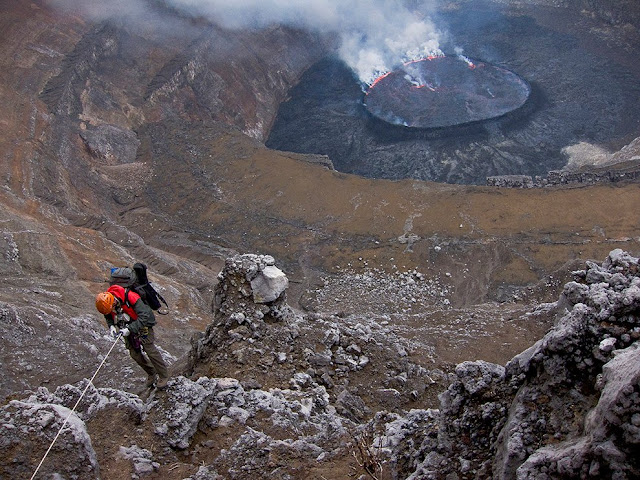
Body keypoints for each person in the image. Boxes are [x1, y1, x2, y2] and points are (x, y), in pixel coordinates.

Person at [95, 285, 169, 390]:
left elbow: (144, 316)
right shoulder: (107, 304)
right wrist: (111, 325)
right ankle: (151, 372)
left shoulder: (131, 297)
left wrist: (130, 329)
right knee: (134, 353)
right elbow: (107, 314)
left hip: (143, 323)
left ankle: (163, 375)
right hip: (126, 324)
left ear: (114, 302)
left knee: (149, 349)